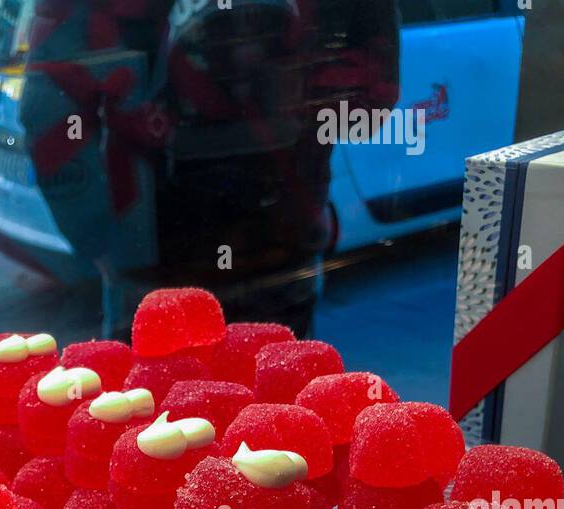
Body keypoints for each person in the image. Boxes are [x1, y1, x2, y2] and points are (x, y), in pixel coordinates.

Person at [21, 0, 400, 337]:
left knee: (229, 398)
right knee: (233, 396)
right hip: (173, 257)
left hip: (267, 248)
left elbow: (369, 100)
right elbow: (53, 121)